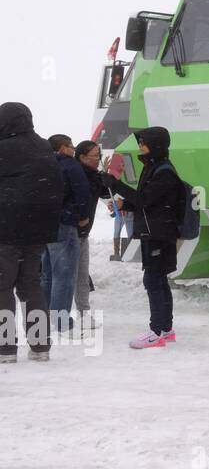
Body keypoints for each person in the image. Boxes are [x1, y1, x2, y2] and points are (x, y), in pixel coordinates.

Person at [103, 127, 185, 349]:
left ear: (156, 144)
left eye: (143, 143)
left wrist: (116, 184)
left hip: (160, 234)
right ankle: (166, 330)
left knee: (153, 280)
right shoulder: (152, 167)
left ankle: (156, 331)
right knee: (158, 280)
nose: (140, 147)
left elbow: (145, 199)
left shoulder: (164, 171)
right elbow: (146, 201)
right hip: (155, 232)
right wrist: (123, 203)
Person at [0, 102, 62, 364]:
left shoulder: (3, 148)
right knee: (31, 287)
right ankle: (40, 347)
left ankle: (5, 349)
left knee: (2, 287)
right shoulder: (44, 146)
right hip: (37, 232)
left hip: (6, 230)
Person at [40, 134, 91, 334]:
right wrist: (82, 216)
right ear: (62, 148)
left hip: (45, 225)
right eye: (71, 146)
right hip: (65, 224)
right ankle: (61, 320)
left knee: (47, 274)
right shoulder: (70, 165)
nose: (74, 149)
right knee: (65, 274)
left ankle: (42, 315)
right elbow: (82, 192)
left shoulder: (41, 165)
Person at [74, 140, 110, 330]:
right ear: (82, 157)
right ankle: (58, 318)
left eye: (99, 155)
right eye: (95, 156)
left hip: (83, 234)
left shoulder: (95, 176)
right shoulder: (75, 174)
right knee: (62, 278)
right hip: (68, 233)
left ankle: (83, 315)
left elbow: (105, 192)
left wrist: (109, 177)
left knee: (81, 277)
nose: (98, 159)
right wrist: (78, 218)